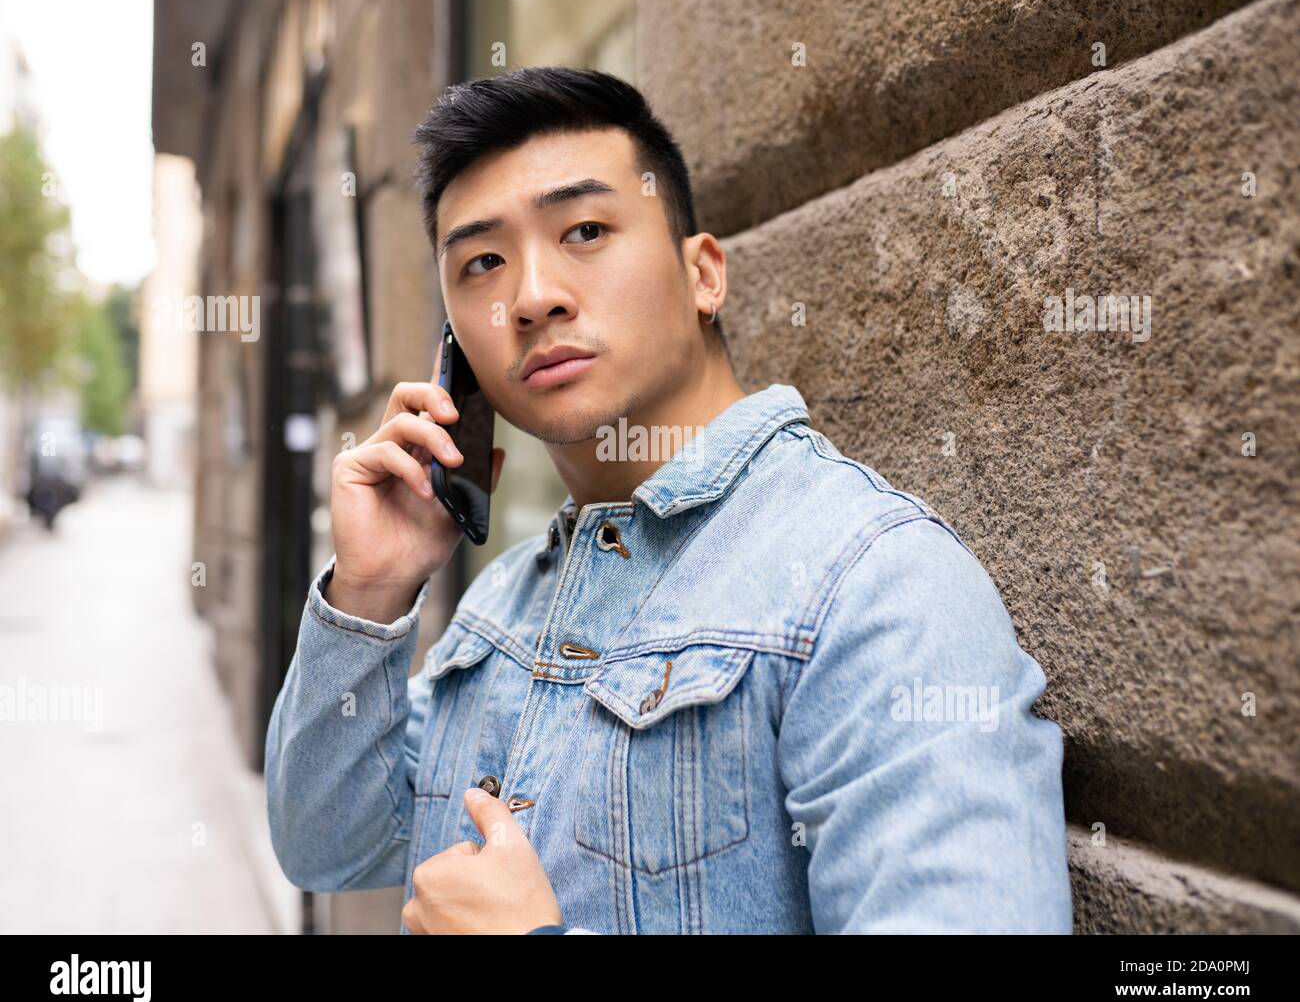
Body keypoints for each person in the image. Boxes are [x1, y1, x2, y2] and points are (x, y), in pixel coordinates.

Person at [264, 66, 1074, 935]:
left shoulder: (875, 585)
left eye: (584, 229)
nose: (533, 296)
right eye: (483, 262)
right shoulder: (502, 605)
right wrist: (372, 591)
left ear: (704, 277)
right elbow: (327, 845)